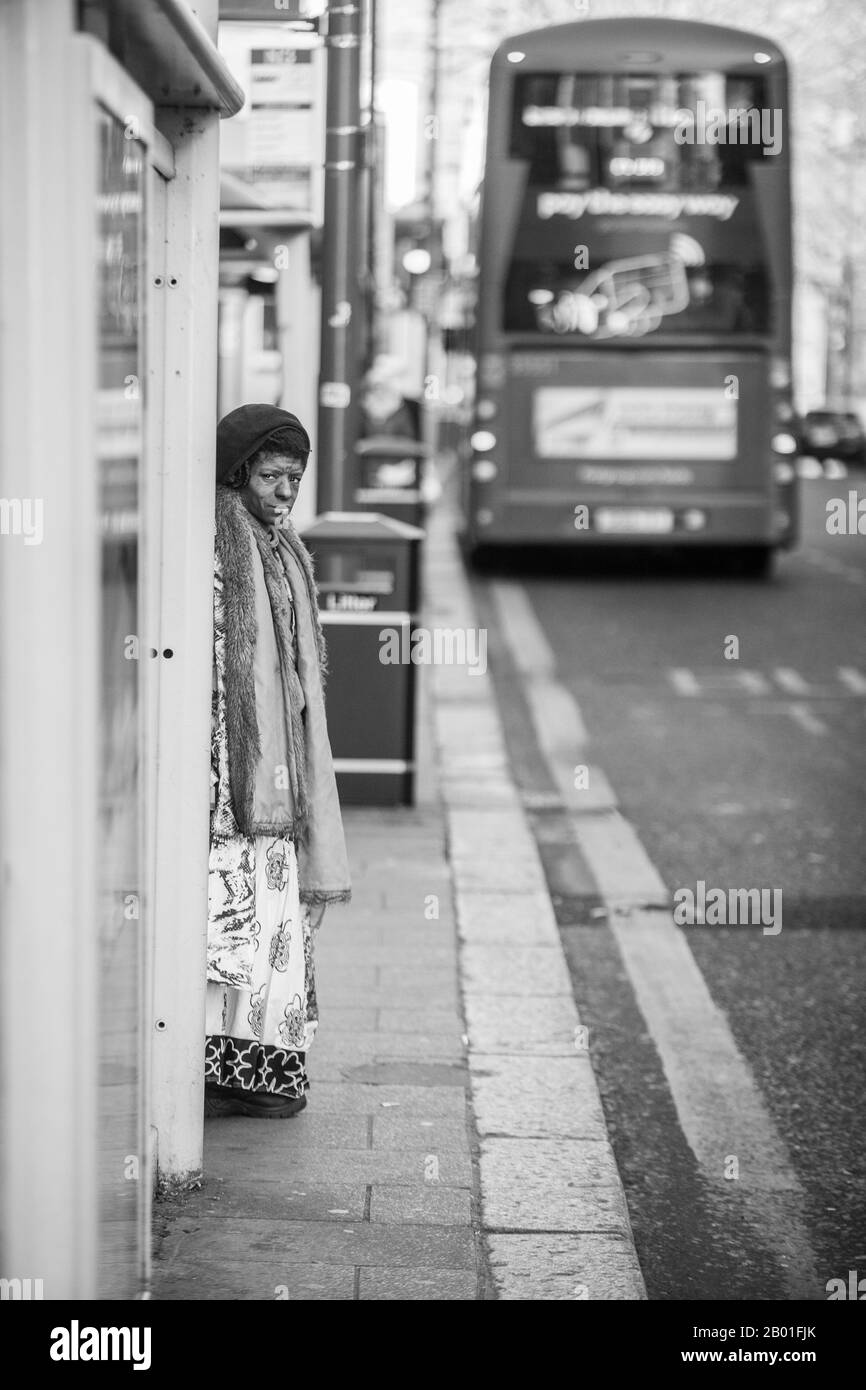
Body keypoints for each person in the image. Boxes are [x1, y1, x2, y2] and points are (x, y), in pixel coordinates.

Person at [204, 404, 351, 1118]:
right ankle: (225, 1073)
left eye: (294, 477)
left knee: (273, 929)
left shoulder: (281, 544)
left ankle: (262, 1073)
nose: (285, 491)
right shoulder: (216, 543)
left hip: (277, 781)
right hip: (231, 784)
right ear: (239, 473)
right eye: (270, 475)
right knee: (237, 928)